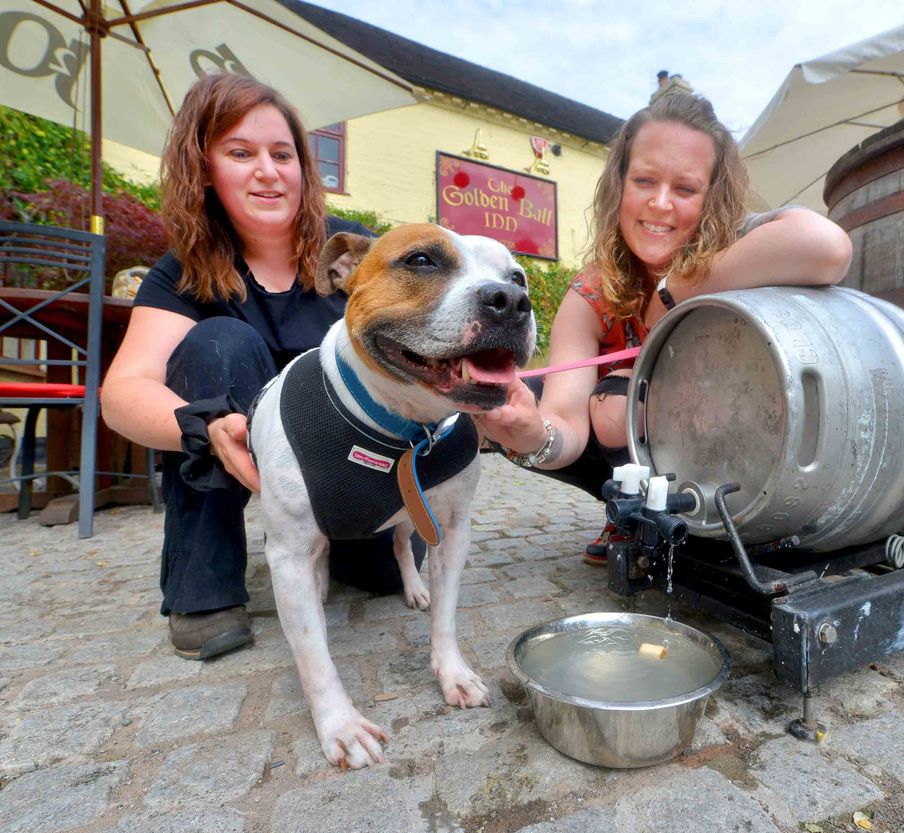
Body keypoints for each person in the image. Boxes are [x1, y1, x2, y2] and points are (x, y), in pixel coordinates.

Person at [101, 73, 421, 661]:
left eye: (283, 154)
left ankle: (345, 538)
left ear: (303, 167)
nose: (268, 172)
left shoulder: (354, 255)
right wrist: (205, 427)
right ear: (203, 169)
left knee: (384, 575)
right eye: (240, 153)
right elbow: (122, 390)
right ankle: (206, 587)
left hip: (353, 461)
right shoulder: (183, 273)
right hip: (238, 438)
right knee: (218, 342)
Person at [476, 93, 853, 563]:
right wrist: (534, 435)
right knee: (605, 405)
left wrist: (676, 289)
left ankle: (731, 520)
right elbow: (566, 424)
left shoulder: (739, 241)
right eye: (644, 181)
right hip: (645, 431)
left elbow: (828, 246)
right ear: (619, 185)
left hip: (755, 428)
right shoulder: (592, 293)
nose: (659, 204)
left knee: (623, 405)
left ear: (713, 196)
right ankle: (629, 509)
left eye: (685, 189)